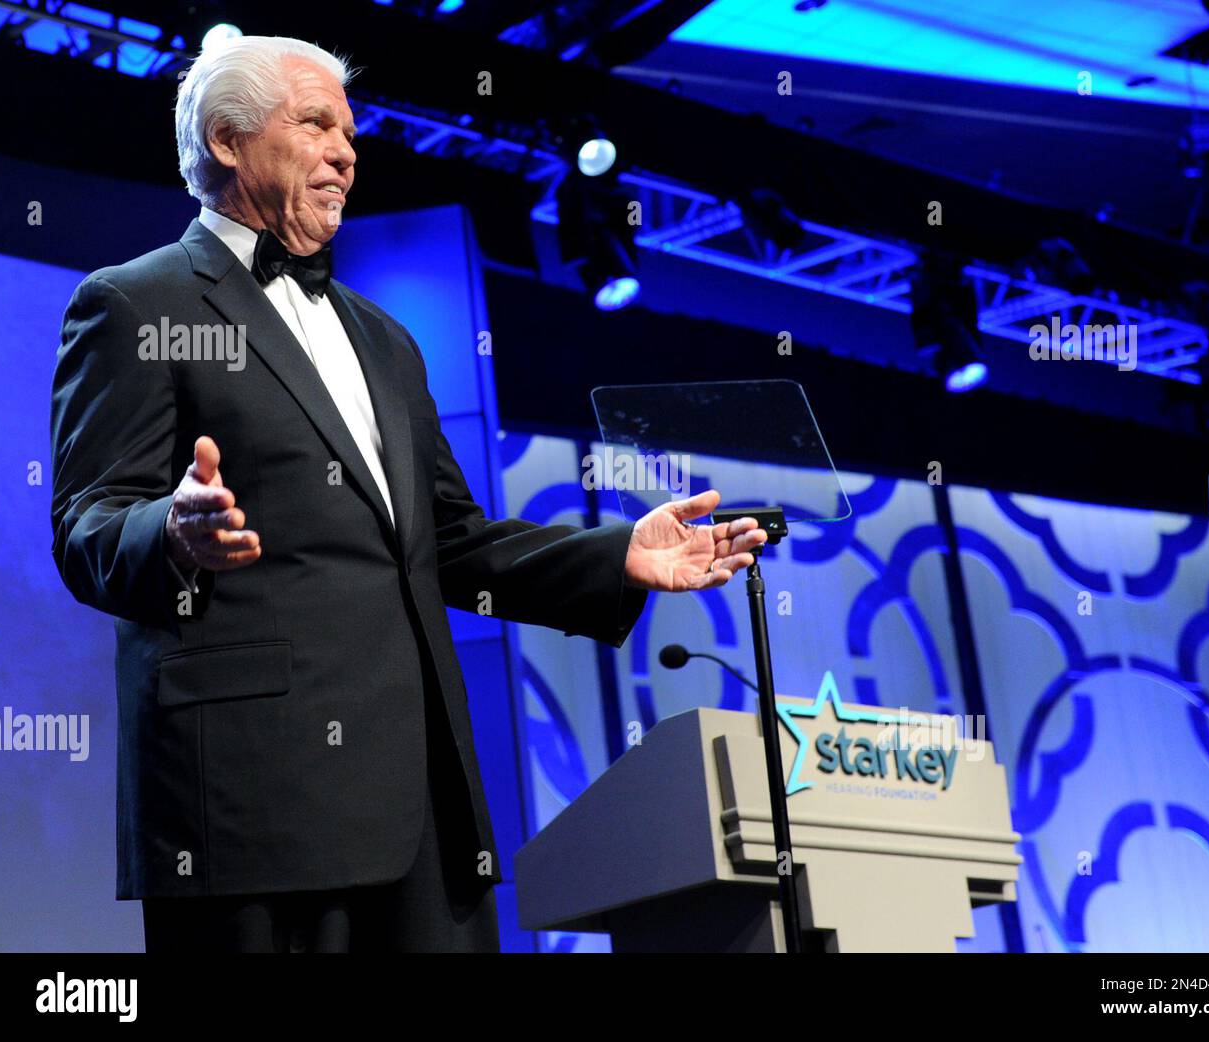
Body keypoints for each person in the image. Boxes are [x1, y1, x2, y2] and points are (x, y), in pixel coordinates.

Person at [49, 34, 766, 953]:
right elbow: (89, 524)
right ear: (226, 140)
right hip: (250, 802)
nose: (347, 151)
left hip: (424, 797)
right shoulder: (134, 305)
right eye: (315, 124)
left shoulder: (385, 340)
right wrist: (173, 534)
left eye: (350, 131)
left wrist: (612, 555)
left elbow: (453, 546)